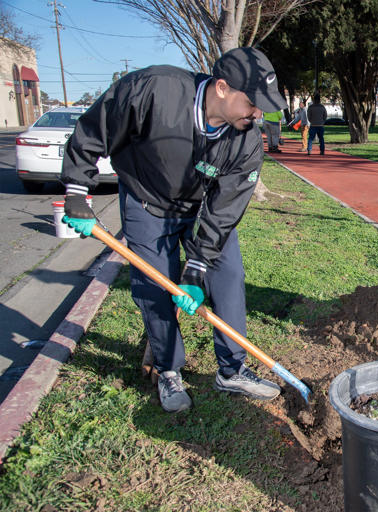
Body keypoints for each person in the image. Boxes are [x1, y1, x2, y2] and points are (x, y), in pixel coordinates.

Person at [60, 48, 286, 413]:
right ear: (223, 88)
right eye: (253, 103)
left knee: (228, 276)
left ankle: (232, 369)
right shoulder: (154, 90)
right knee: (155, 288)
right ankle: (168, 370)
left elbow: (225, 210)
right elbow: (94, 129)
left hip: (199, 208)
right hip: (146, 202)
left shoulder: (245, 141)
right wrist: (75, 190)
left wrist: (196, 269)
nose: (258, 114)